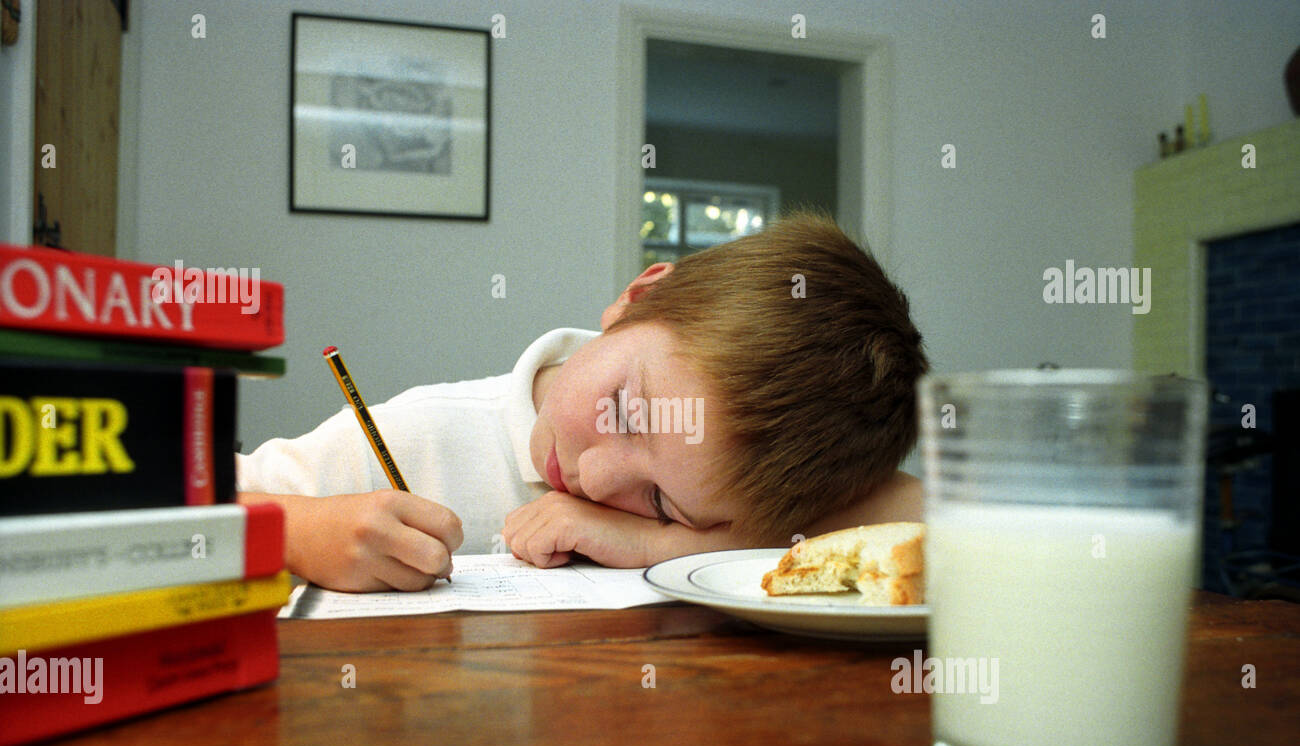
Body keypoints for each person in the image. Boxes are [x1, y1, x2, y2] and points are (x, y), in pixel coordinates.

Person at [236, 209, 929, 592]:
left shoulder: (718, 496)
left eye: (661, 499)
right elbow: (157, 515)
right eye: (626, 413)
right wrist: (301, 534)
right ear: (640, 298)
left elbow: (942, 518)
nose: (596, 480)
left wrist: (650, 541)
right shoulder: (424, 433)